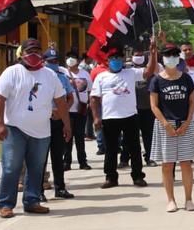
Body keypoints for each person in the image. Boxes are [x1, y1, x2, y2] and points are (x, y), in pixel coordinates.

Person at [0, 39, 71, 218]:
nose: (34, 54)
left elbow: (60, 101)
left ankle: (32, 201)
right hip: (14, 129)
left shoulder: (50, 75)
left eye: (37, 50)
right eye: (30, 51)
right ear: (22, 54)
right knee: (11, 167)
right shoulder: (12, 72)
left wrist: (67, 124)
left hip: (42, 131)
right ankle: (6, 204)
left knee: (36, 168)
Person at [91, 46, 157, 188]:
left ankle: (138, 176)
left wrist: (152, 53)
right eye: (113, 58)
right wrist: (96, 118)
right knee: (111, 149)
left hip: (130, 116)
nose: (116, 60)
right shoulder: (101, 77)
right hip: (109, 118)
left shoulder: (131, 72)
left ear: (123, 59)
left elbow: (149, 72)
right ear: (108, 60)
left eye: (118, 57)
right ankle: (111, 177)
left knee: (134, 148)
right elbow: (94, 99)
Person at [149, 44, 194, 212]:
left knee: (186, 163)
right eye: (168, 55)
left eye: (174, 55)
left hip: (184, 124)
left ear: (179, 58)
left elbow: (192, 101)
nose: (171, 57)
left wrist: (187, 121)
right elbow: (154, 106)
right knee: (167, 164)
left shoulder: (186, 78)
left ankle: (189, 199)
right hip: (165, 125)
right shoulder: (156, 80)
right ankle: (170, 200)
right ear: (163, 58)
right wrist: (165, 124)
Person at [43, 49, 76, 199]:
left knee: (57, 156)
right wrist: (50, 111)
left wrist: (62, 112)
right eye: (51, 61)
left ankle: (60, 188)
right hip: (43, 121)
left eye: (56, 61)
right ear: (44, 62)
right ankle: (38, 191)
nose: (54, 64)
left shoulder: (62, 77)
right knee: (40, 158)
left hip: (58, 121)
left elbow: (70, 98)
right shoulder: (39, 77)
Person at [62, 51, 92, 171]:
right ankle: (67, 162)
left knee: (80, 137)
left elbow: (90, 90)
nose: (70, 59)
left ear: (78, 61)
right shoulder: (62, 72)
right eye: (68, 57)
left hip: (81, 109)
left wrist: (89, 103)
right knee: (67, 137)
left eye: (73, 57)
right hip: (67, 110)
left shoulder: (85, 74)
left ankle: (82, 162)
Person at [130, 48, 157, 165]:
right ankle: (125, 159)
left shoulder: (149, 70)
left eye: (141, 54)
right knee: (130, 137)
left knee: (148, 135)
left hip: (147, 108)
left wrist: (153, 52)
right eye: (136, 55)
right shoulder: (127, 70)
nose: (139, 56)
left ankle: (149, 157)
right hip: (132, 109)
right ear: (131, 56)